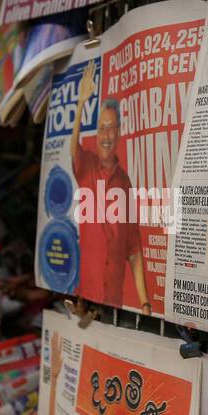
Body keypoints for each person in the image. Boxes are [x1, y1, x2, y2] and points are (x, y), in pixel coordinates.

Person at [70, 62, 150, 313]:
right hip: (87, 294)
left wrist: (145, 302)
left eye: (111, 128)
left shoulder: (125, 182)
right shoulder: (87, 166)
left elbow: (134, 247)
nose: (105, 135)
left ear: (119, 133)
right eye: (101, 128)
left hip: (114, 300)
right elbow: (73, 149)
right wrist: (81, 103)